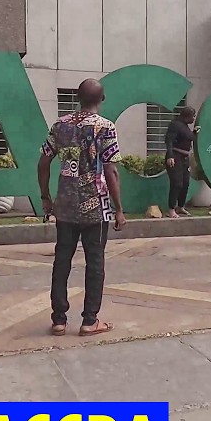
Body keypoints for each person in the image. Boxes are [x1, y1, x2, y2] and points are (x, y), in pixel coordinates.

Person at [38, 78, 127, 338]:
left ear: (77, 97)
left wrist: (45, 197)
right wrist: (119, 209)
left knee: (62, 260)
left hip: (65, 206)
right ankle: (90, 321)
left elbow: (43, 163)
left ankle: (59, 320)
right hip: (96, 208)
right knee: (95, 262)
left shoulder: (60, 125)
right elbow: (111, 170)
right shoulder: (106, 127)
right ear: (102, 99)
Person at [163, 106, 198, 218]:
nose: (194, 118)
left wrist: (194, 132)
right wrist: (170, 156)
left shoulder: (185, 127)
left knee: (185, 183)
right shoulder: (175, 125)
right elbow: (169, 140)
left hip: (184, 158)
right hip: (175, 156)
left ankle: (180, 207)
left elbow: (189, 138)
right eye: (193, 116)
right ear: (187, 116)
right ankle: (171, 209)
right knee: (177, 183)